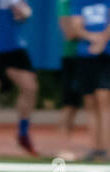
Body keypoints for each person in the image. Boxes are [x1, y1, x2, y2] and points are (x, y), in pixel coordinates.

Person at [0, 0, 38, 156]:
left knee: (30, 87)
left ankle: (23, 133)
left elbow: (23, 15)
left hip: (13, 47)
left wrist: (21, 13)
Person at [70, 1, 110, 161]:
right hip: (85, 56)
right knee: (89, 102)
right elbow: (75, 26)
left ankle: (106, 148)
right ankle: (95, 148)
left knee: (104, 102)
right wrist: (92, 37)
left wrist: (102, 41)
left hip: (106, 56)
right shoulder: (78, 2)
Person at [57, 0, 86, 160]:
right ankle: (64, 147)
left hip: (99, 57)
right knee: (70, 105)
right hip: (74, 56)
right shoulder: (65, 2)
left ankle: (101, 148)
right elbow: (69, 31)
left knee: (100, 104)